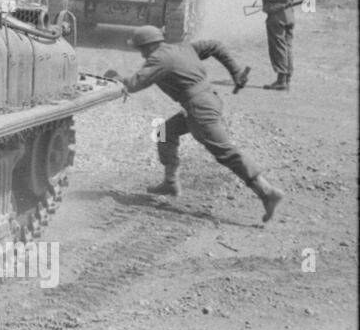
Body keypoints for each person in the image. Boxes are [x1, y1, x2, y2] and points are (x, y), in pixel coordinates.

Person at [103, 25, 283, 222]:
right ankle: (170, 182)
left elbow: (133, 85)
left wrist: (114, 77)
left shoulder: (158, 59)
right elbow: (215, 46)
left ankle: (267, 192)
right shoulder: (182, 48)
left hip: (199, 109)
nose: (141, 55)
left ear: (146, 47)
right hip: (206, 102)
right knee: (164, 132)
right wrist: (236, 72)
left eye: (140, 50)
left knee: (225, 152)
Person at [256, 0, 307, 91]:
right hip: (290, 15)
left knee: (278, 46)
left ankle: (281, 80)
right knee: (288, 46)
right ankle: (288, 77)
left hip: (277, 15)